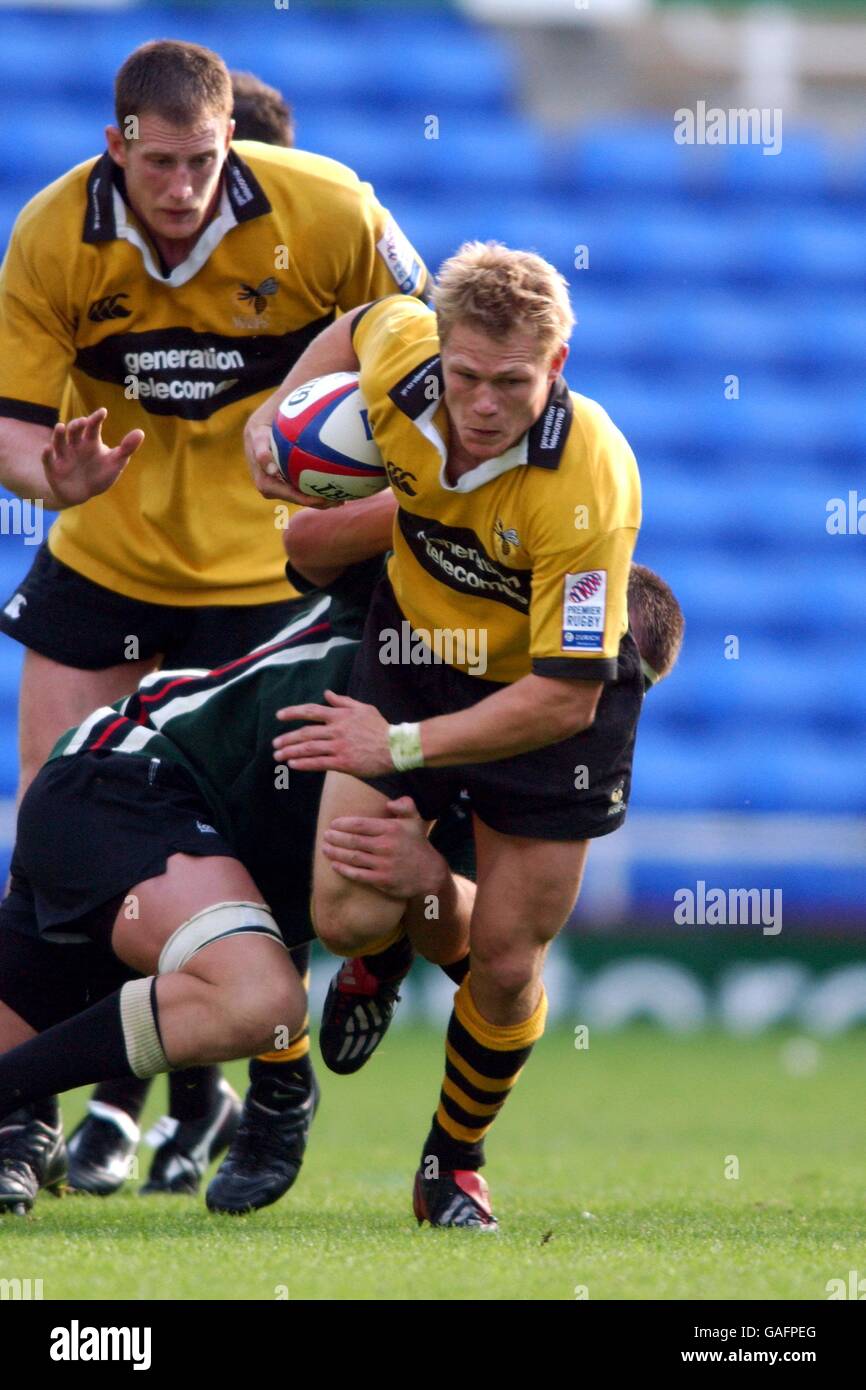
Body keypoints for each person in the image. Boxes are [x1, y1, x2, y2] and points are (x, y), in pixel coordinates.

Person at [0, 39, 429, 1194]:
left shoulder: (329, 209)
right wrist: (51, 479)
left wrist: (369, 481)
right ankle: (41, 1115)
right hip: (105, 557)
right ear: (116, 145)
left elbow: (424, 354)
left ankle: (238, 1086)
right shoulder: (48, 236)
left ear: (228, 143)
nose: (183, 187)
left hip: (262, 576)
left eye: (204, 161)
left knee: (251, 851)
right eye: (161, 165)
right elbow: (13, 428)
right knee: (60, 843)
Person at [247, 240, 643, 1229]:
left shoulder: (589, 476)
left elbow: (563, 696)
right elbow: (355, 321)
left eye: (510, 382)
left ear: (555, 364)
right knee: (341, 916)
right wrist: (271, 413)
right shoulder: (403, 354)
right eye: (463, 374)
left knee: (507, 961)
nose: (477, 402)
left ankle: (450, 1164)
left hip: (548, 694)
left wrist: (404, 751)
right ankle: (387, 945)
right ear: (441, 348)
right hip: (416, 649)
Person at [0, 556, 475, 1216]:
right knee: (258, 998)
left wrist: (437, 888)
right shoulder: (401, 597)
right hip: (128, 776)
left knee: (258, 988)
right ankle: (36, 1112)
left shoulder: (523, 752)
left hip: (176, 850)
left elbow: (495, 958)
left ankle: (207, 1101)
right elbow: (316, 527)